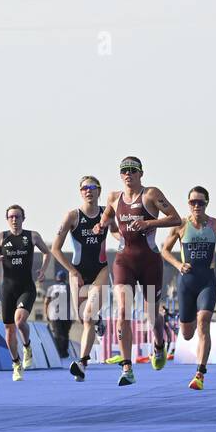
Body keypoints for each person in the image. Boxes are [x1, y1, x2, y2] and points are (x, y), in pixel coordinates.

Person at [93, 157, 181, 386]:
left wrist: (149, 224)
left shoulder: (151, 194)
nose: (128, 174)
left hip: (150, 260)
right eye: (124, 171)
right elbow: (106, 218)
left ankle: (159, 345)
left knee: (152, 315)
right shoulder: (114, 197)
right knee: (123, 311)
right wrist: (100, 225)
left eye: (132, 170)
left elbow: (175, 218)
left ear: (141, 173)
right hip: (124, 261)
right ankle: (127, 367)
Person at [160, 186, 216, 391]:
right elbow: (165, 251)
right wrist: (179, 266)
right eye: (193, 202)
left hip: (207, 280)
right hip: (186, 281)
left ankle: (200, 374)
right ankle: (183, 331)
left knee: (204, 322)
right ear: (188, 204)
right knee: (187, 334)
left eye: (201, 202)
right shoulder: (180, 225)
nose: (197, 206)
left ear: (207, 203)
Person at [48, 176, 111, 381]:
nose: (88, 191)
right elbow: (55, 249)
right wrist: (72, 271)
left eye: (92, 187)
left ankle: (82, 363)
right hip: (77, 272)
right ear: (80, 192)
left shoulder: (106, 214)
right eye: (84, 188)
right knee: (84, 319)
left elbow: (120, 234)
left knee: (89, 316)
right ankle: (97, 322)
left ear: (99, 191)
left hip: (100, 270)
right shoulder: (72, 216)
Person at [0, 205, 50, 380]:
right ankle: (16, 364)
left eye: (17, 216)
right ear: (7, 219)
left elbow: (47, 253)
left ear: (23, 218)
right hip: (7, 288)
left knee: (19, 320)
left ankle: (27, 346)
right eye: (11, 217)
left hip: (26, 287)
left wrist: (43, 270)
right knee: (9, 329)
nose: (14, 220)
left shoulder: (32, 236)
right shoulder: (1, 237)